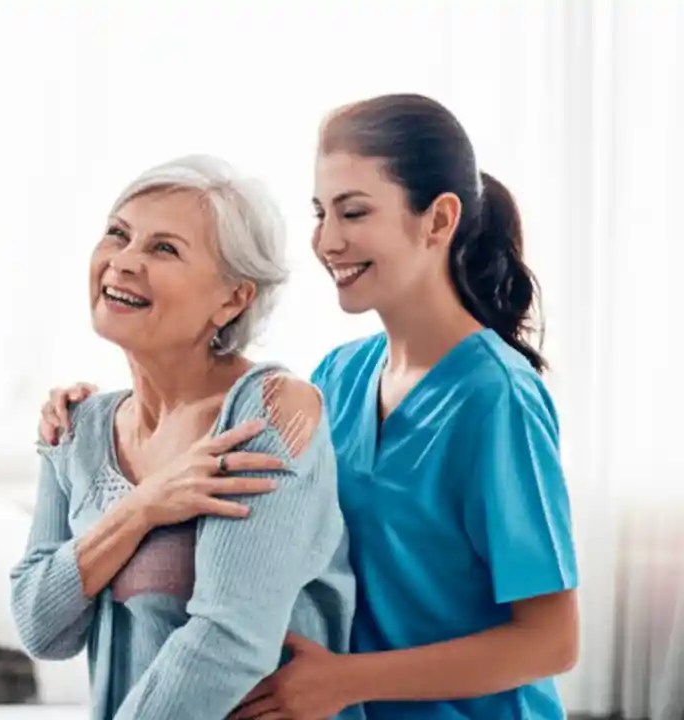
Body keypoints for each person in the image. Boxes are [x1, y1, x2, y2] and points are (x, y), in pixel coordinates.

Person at [38, 93, 580, 719]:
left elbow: (552, 640)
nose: (327, 241)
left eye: (353, 213)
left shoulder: (498, 399)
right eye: (321, 213)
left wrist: (349, 680)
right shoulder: (339, 375)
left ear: (437, 220)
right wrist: (95, 417)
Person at [9, 155, 361, 720]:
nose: (123, 263)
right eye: (118, 234)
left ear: (233, 298)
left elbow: (229, 642)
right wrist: (142, 508)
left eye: (163, 249)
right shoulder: (79, 427)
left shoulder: (269, 410)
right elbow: (40, 627)